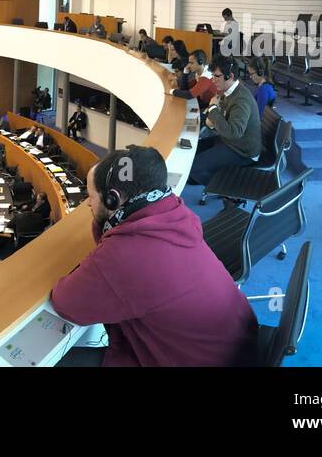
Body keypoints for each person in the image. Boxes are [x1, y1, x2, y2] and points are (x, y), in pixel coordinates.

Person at [51, 145, 258, 366]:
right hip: (237, 347)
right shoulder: (176, 213)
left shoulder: (125, 255)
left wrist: (104, 223)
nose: (89, 204)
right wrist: (109, 220)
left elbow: (66, 303)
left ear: (113, 199)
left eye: (91, 197)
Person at [189, 56, 262, 187]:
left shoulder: (241, 100)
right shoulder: (227, 90)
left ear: (230, 76)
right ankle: (201, 176)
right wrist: (213, 117)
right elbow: (220, 118)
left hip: (242, 151)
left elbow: (234, 132)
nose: (213, 80)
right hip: (228, 141)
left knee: (195, 168)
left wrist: (212, 109)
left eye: (217, 76)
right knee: (191, 152)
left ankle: (227, 188)